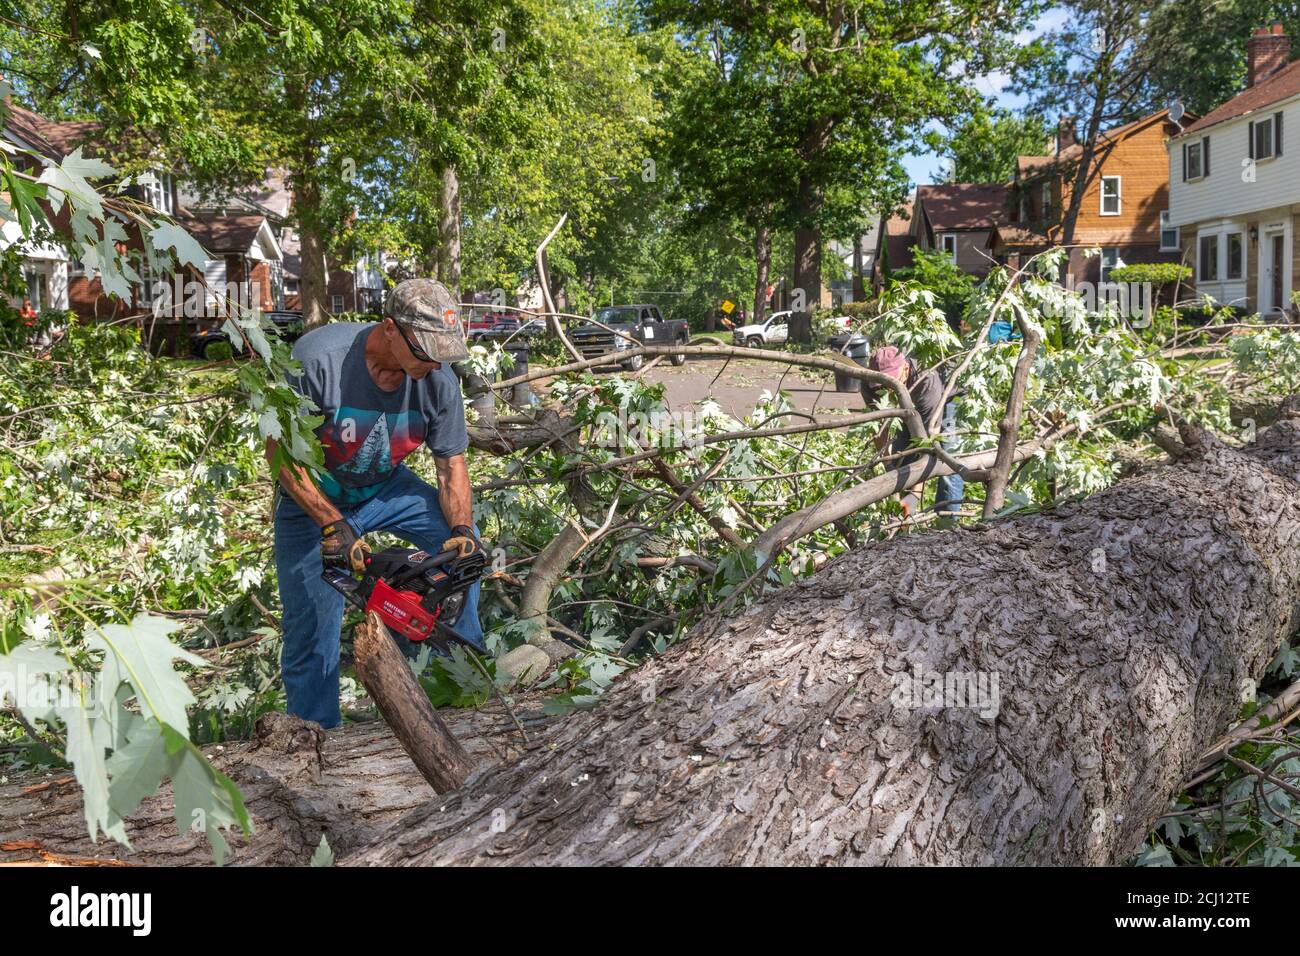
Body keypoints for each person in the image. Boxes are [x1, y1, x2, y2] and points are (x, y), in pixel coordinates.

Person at [267, 277, 483, 729]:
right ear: (390, 329)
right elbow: (280, 454)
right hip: (313, 495)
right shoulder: (316, 360)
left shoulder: (438, 381)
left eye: (442, 353)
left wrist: (461, 530)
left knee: (463, 553)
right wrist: (332, 523)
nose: (434, 363)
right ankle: (316, 738)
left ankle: (465, 689)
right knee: (313, 628)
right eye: (424, 350)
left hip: (386, 487)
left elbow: (451, 468)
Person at [863, 345, 963, 522]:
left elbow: (927, 444)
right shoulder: (869, 381)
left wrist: (915, 496)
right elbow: (880, 427)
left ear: (906, 369)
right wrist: (889, 467)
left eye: (891, 380)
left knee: (948, 457)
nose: (886, 387)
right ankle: (903, 518)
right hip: (909, 399)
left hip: (947, 396)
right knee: (902, 455)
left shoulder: (926, 382)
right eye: (881, 383)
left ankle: (947, 524)